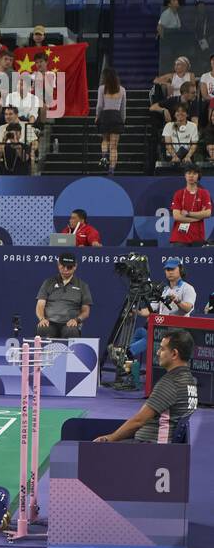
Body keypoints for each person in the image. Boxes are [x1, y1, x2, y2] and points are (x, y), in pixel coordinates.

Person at [96, 329, 197, 444]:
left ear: (174, 354)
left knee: (98, 450)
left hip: (151, 448)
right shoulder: (190, 380)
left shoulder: (170, 383)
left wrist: (110, 439)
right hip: (159, 444)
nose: (158, 352)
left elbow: (138, 421)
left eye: (162, 349)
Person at [117, 258, 197, 391]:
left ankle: (129, 358)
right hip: (160, 330)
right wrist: (134, 311)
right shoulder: (164, 290)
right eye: (167, 269)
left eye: (172, 269)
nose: (169, 272)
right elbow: (149, 310)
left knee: (138, 345)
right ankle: (132, 374)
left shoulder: (187, 288)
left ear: (180, 270)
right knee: (137, 335)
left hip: (175, 333)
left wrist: (177, 301)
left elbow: (188, 307)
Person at [34, 253, 92, 339]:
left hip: (70, 323)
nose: (65, 270)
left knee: (71, 330)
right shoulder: (48, 283)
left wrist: (77, 320)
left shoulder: (82, 285)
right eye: (63, 266)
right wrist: (42, 319)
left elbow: (86, 311)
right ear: (58, 265)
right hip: (50, 322)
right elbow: (40, 305)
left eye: (69, 267)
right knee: (43, 329)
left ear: (75, 266)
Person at [170, 165, 212, 248]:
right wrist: (198, 217)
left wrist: (188, 213)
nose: (191, 176)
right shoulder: (178, 194)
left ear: (198, 176)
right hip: (180, 238)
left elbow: (207, 213)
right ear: (185, 175)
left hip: (198, 237)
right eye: (189, 173)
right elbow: (177, 216)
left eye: (194, 173)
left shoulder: (204, 193)